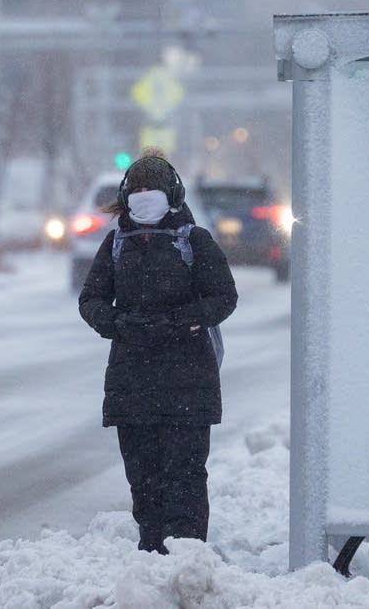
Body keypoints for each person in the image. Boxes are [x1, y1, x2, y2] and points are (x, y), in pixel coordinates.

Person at [77, 151, 239, 554]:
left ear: (173, 195)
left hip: (188, 384)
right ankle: (151, 556)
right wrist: (118, 323)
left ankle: (187, 559)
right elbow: (91, 299)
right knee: (143, 480)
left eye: (153, 190)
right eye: (139, 191)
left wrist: (183, 320)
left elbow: (224, 296)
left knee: (185, 476)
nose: (145, 197)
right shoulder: (116, 243)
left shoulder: (193, 241)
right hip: (132, 385)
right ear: (126, 196)